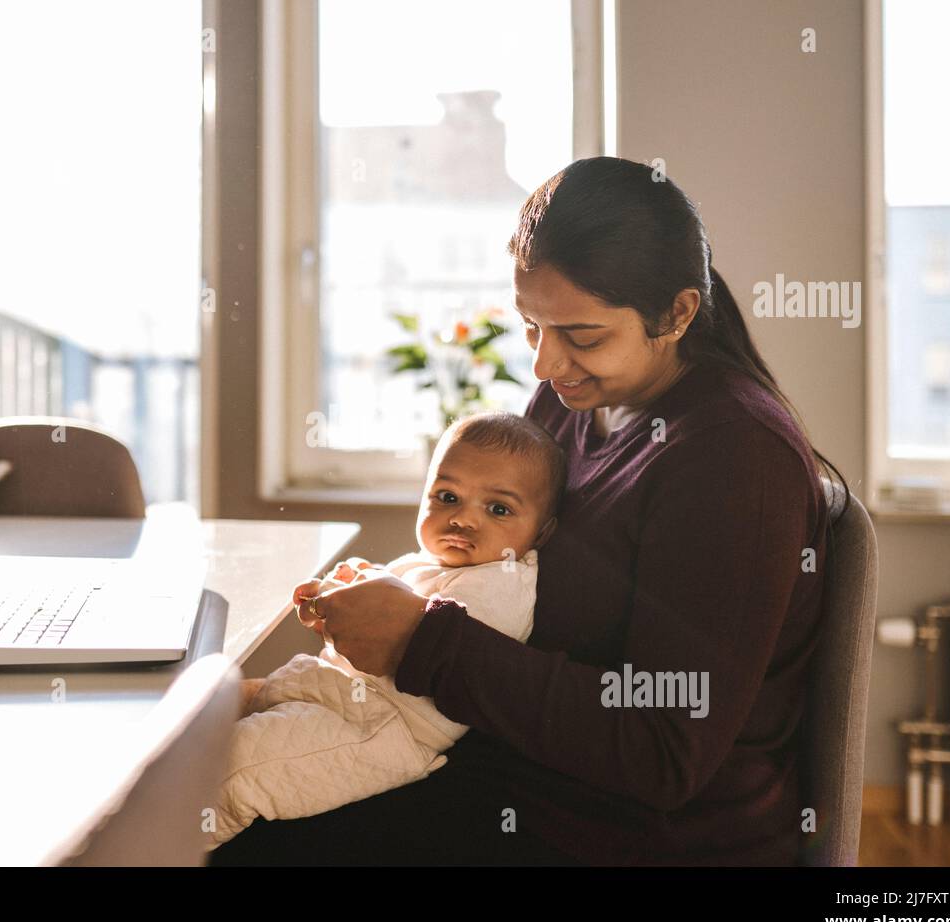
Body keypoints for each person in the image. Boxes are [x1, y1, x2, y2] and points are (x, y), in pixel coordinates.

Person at [209, 155, 847, 866]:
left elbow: (665, 751)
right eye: (531, 327)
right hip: (518, 773)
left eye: (582, 335)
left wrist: (422, 640)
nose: (544, 365)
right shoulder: (575, 403)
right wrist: (412, 588)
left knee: (225, 835)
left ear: (677, 314)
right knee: (198, 789)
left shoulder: (733, 460)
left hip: (638, 836)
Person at [206, 412, 564, 849]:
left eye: (498, 509)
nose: (464, 520)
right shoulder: (432, 561)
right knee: (212, 726)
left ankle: (166, 846)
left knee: (240, 766)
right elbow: (390, 602)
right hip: (337, 691)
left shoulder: (506, 582)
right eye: (447, 497)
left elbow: (439, 634)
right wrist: (344, 591)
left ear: (541, 532)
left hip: (386, 729)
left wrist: (381, 598)